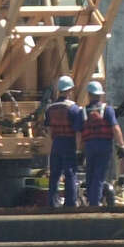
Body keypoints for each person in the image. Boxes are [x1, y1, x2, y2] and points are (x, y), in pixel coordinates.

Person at [80, 81, 124, 207]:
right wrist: (121, 146)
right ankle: (95, 202)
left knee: (90, 174)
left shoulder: (83, 111)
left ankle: (90, 200)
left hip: (89, 146)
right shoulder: (107, 110)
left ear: (89, 95)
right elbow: (115, 128)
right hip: (104, 145)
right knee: (99, 175)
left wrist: (79, 152)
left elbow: (81, 134)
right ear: (100, 95)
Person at [44, 75, 84, 208]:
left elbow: (49, 129)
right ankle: (70, 203)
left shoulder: (50, 108)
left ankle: (52, 202)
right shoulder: (74, 108)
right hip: (69, 142)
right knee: (70, 173)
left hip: (56, 143)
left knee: (54, 174)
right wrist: (78, 150)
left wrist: (54, 141)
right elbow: (78, 132)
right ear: (69, 90)